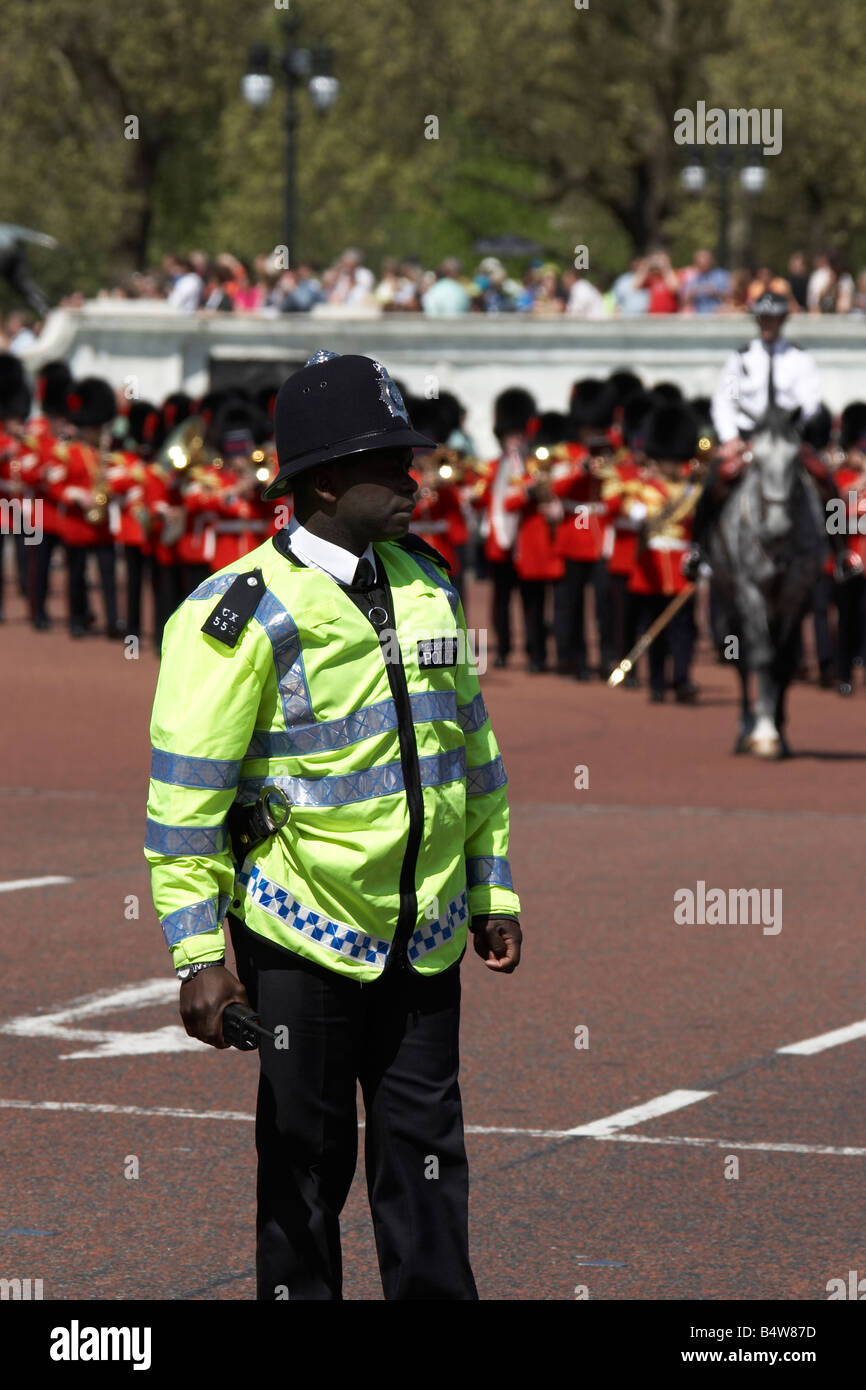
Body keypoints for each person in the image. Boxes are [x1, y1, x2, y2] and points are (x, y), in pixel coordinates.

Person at [144, 350, 522, 1302]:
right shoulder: (237, 612)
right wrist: (198, 954)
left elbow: (471, 752)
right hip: (299, 938)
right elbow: (188, 795)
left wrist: (493, 888)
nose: (413, 479)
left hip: (427, 938)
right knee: (304, 1178)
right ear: (321, 484)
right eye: (388, 464)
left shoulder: (430, 582)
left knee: (431, 1173)